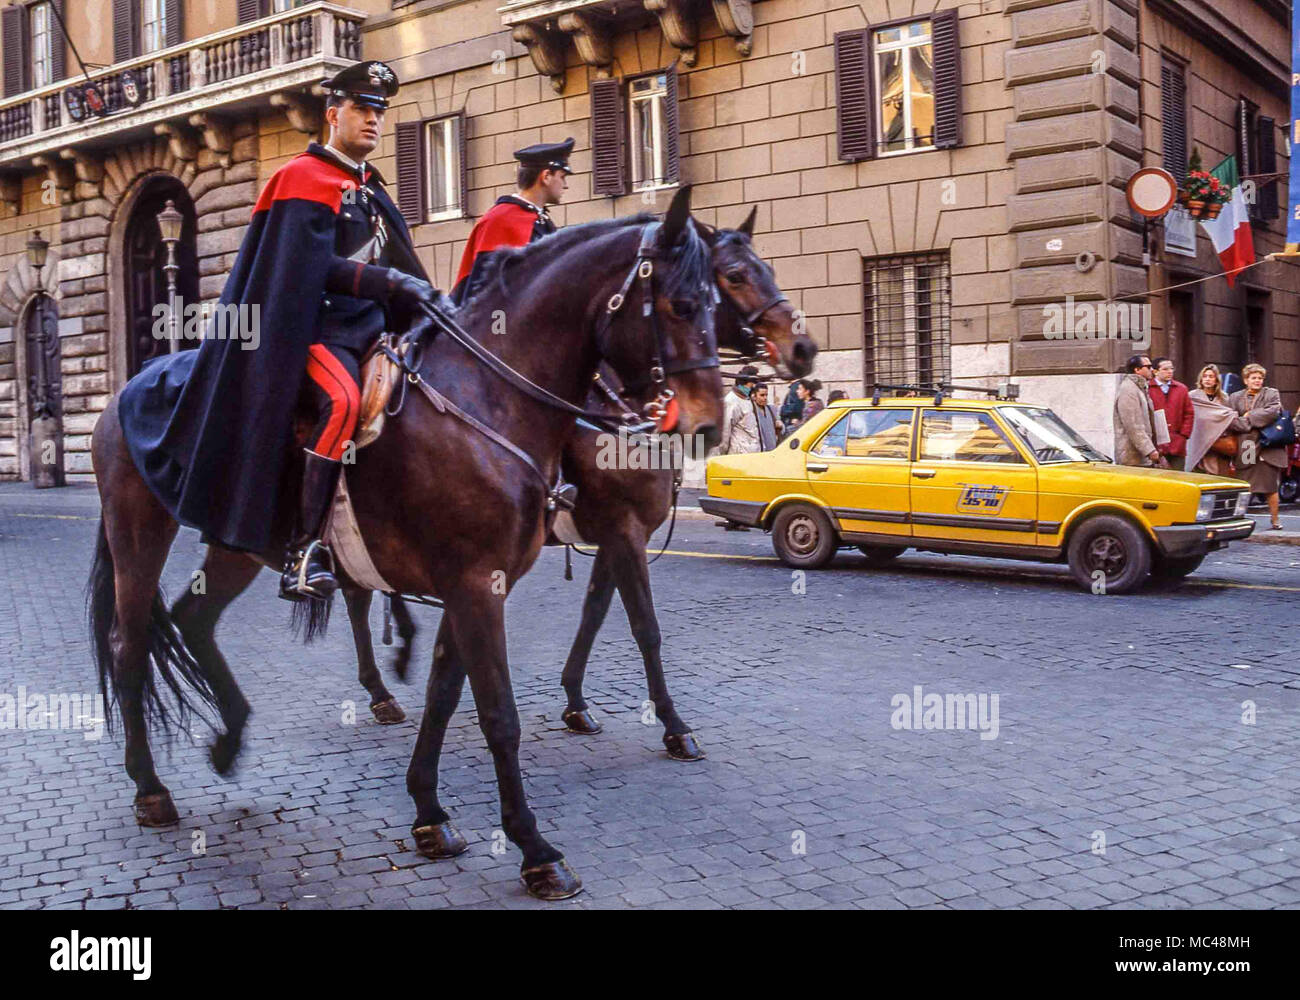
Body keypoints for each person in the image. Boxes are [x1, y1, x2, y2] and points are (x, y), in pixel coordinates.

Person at [117, 60, 442, 602]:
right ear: (333, 115)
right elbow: (301, 270)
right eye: (362, 110)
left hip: (372, 331)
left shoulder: (370, 188)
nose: (373, 122)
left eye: (379, 113)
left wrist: (434, 302)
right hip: (311, 329)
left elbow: (403, 264)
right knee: (340, 402)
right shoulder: (302, 178)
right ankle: (305, 549)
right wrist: (387, 283)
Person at [453, 137, 573, 298]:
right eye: (562, 177)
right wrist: (499, 324)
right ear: (546, 177)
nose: (565, 185)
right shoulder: (499, 221)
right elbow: (489, 297)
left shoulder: (541, 220)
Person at [1228, 363, 1286, 530]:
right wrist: (1247, 423)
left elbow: (1273, 412)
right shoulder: (1235, 397)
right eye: (1253, 378)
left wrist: (1248, 417)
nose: (1257, 381)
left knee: (1270, 485)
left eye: (1260, 378)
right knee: (1245, 483)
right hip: (1246, 444)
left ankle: (1275, 520)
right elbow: (1231, 419)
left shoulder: (1271, 393)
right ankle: (1238, 519)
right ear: (1246, 380)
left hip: (1268, 444)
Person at [1113, 354, 1168, 468]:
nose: (1152, 369)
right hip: (1133, 459)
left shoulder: (1140, 387)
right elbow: (1133, 426)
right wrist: (1150, 450)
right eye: (1148, 367)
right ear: (1137, 370)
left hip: (1141, 457)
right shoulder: (1128, 390)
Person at [1185, 364, 1238, 477]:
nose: (1208, 379)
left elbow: (1227, 417)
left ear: (1216, 380)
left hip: (1218, 443)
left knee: (1220, 474)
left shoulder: (1224, 398)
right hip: (1198, 441)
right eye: (1205, 376)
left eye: (1211, 376)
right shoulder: (1193, 396)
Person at [1148, 357, 1193, 470]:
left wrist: (1183, 435)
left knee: (1178, 475)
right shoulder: (1148, 388)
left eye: (1171, 368)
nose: (1170, 372)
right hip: (1155, 444)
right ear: (1155, 371)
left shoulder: (1181, 389)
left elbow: (1189, 413)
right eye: (1165, 369)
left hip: (1177, 443)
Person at [720, 365, 762, 455]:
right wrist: (722, 456)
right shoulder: (731, 401)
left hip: (752, 453)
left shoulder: (747, 400)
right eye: (753, 382)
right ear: (744, 382)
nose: (754, 386)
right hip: (738, 455)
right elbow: (725, 432)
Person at [752, 383, 782, 450]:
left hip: (773, 450)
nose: (765, 398)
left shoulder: (771, 409)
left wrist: (780, 425)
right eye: (762, 395)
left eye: (766, 395)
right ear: (754, 397)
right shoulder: (751, 412)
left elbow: (782, 429)